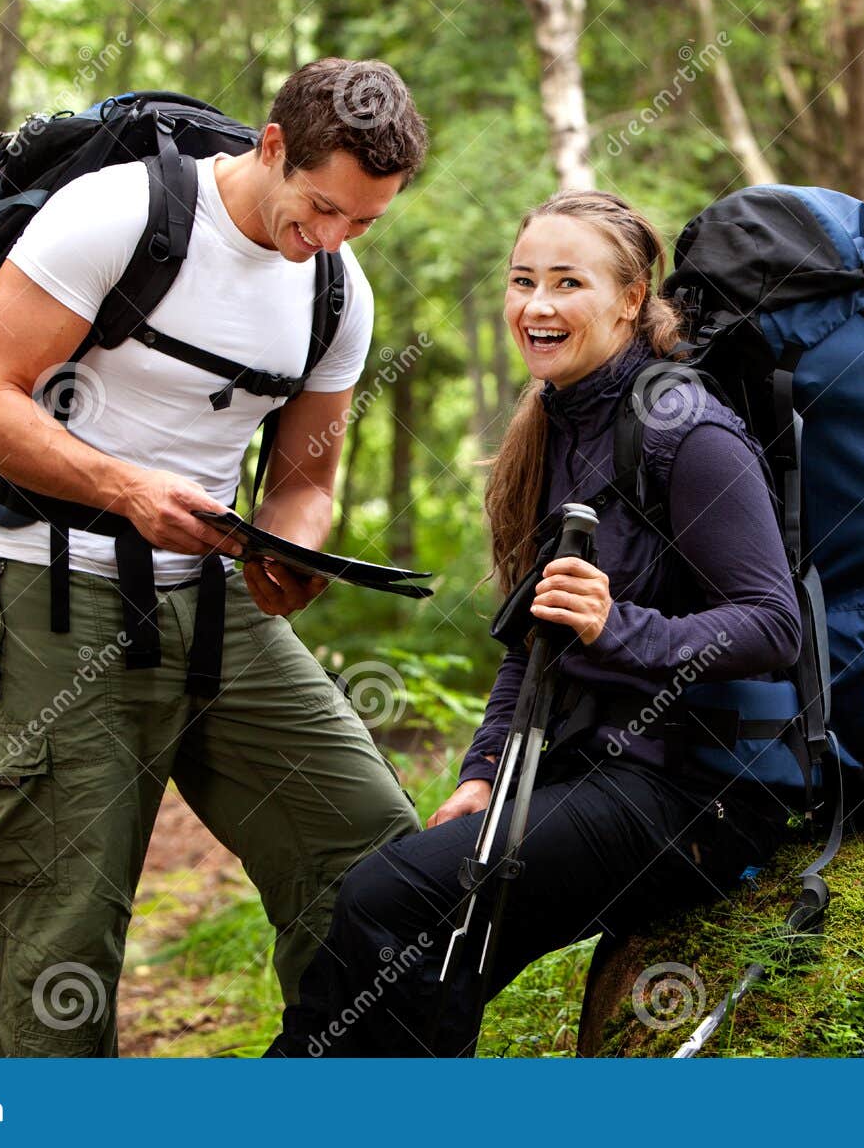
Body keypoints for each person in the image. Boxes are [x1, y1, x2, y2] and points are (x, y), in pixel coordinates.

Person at [0, 58, 427, 1057]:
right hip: (47, 583)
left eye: (364, 221)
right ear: (274, 146)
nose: (334, 237)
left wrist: (293, 546)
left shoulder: (338, 288)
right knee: (65, 922)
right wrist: (126, 488)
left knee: (371, 849)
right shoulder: (116, 214)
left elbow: (305, 480)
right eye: (322, 207)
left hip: (211, 603)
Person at [266, 190, 802, 1057]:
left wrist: (620, 627)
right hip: (599, 765)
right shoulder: (558, 422)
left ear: (631, 298)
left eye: (567, 282)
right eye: (523, 281)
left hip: (701, 794)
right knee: (429, 955)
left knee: (385, 895)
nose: (537, 305)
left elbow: (775, 626)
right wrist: (483, 771)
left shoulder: (689, 431)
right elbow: (535, 638)